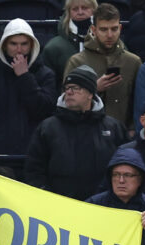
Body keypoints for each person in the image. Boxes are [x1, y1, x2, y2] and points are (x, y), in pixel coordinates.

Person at [24, 66, 125, 201]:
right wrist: (45, 196)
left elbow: (126, 166)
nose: (69, 92)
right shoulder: (48, 128)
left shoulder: (113, 127)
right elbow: (34, 169)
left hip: (104, 207)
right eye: (67, 88)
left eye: (76, 88)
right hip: (58, 207)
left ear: (91, 94)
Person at [0, 18, 57, 159]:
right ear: (4, 45)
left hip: (34, 156)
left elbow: (44, 111)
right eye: (13, 44)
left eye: (24, 44)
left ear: (32, 45)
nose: (19, 49)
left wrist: (24, 77)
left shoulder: (46, 75)